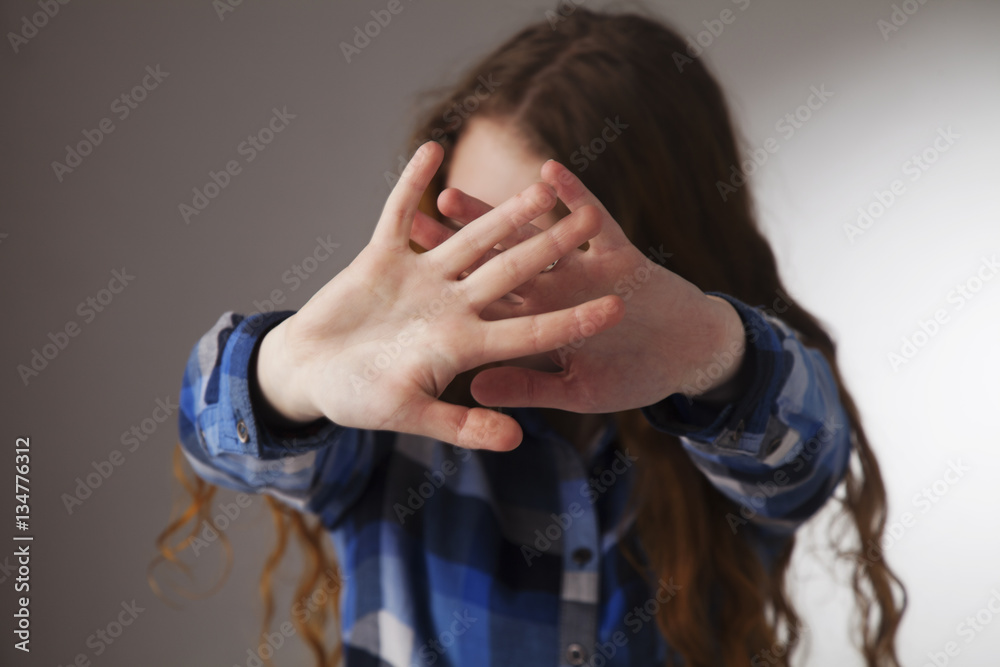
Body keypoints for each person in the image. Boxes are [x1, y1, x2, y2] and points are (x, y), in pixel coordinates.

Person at [159, 7, 906, 666]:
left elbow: (804, 459)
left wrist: (709, 350)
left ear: (655, 247)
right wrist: (289, 373)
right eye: (462, 233)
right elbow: (212, 428)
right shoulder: (395, 415)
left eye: (530, 247)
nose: (483, 280)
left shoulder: (721, 425)